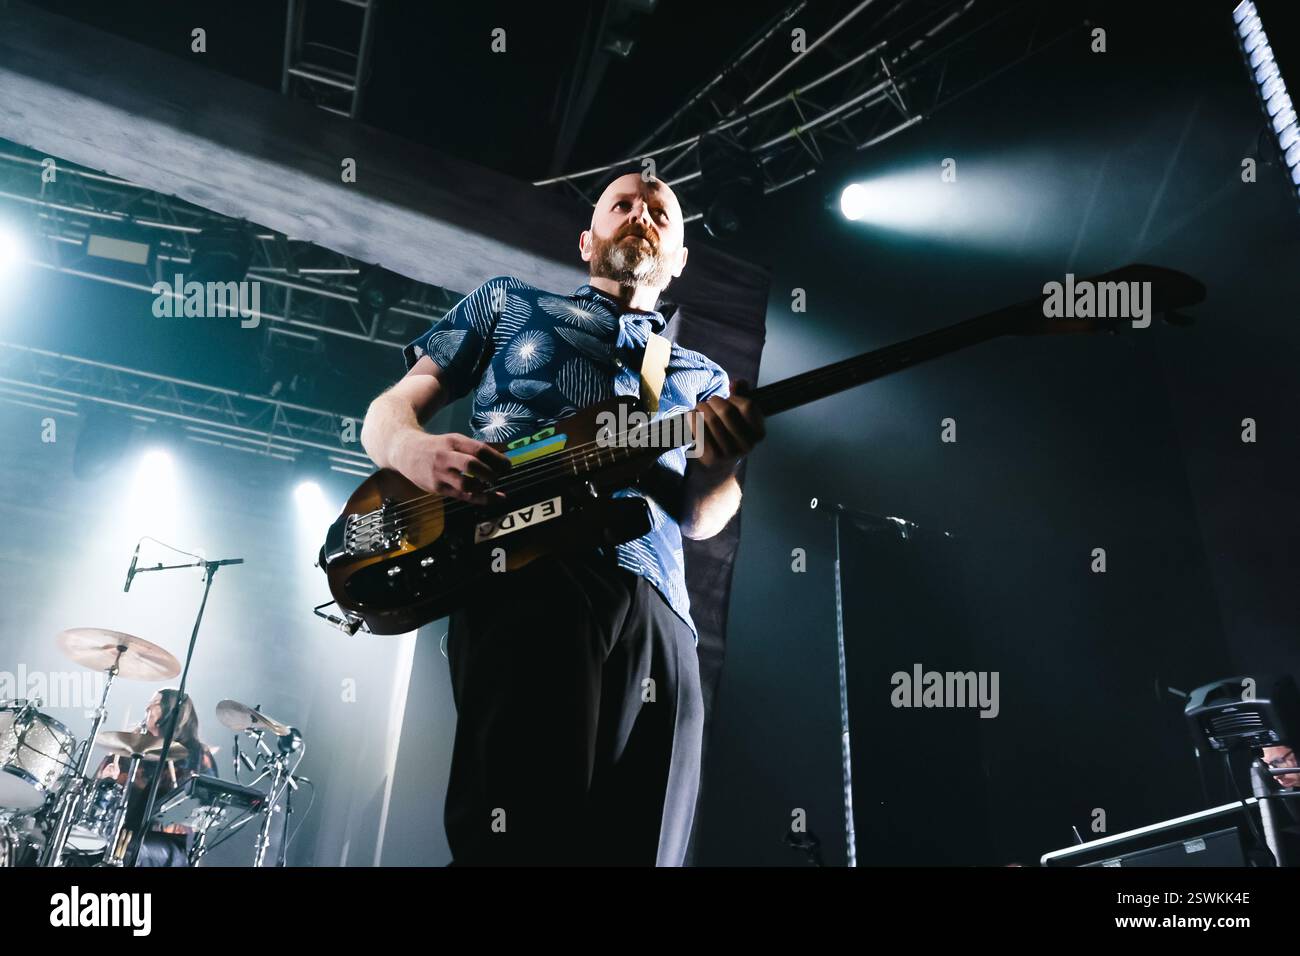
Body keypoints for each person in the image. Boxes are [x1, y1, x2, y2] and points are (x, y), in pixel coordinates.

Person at [361, 168, 765, 865]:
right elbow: (388, 410)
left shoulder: (701, 376)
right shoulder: (508, 303)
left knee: (645, 843)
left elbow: (702, 519)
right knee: (518, 834)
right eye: (622, 205)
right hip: (531, 566)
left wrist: (722, 466)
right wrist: (412, 449)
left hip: (662, 606)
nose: (640, 215)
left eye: (658, 213)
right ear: (587, 240)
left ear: (679, 259)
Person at [94, 688, 218, 867]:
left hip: (169, 841)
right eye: (149, 703)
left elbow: (209, 803)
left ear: (173, 712)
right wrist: (105, 780)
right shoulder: (131, 746)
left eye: (155, 703)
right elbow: (98, 795)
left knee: (127, 850)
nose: (148, 708)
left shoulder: (197, 754)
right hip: (123, 830)